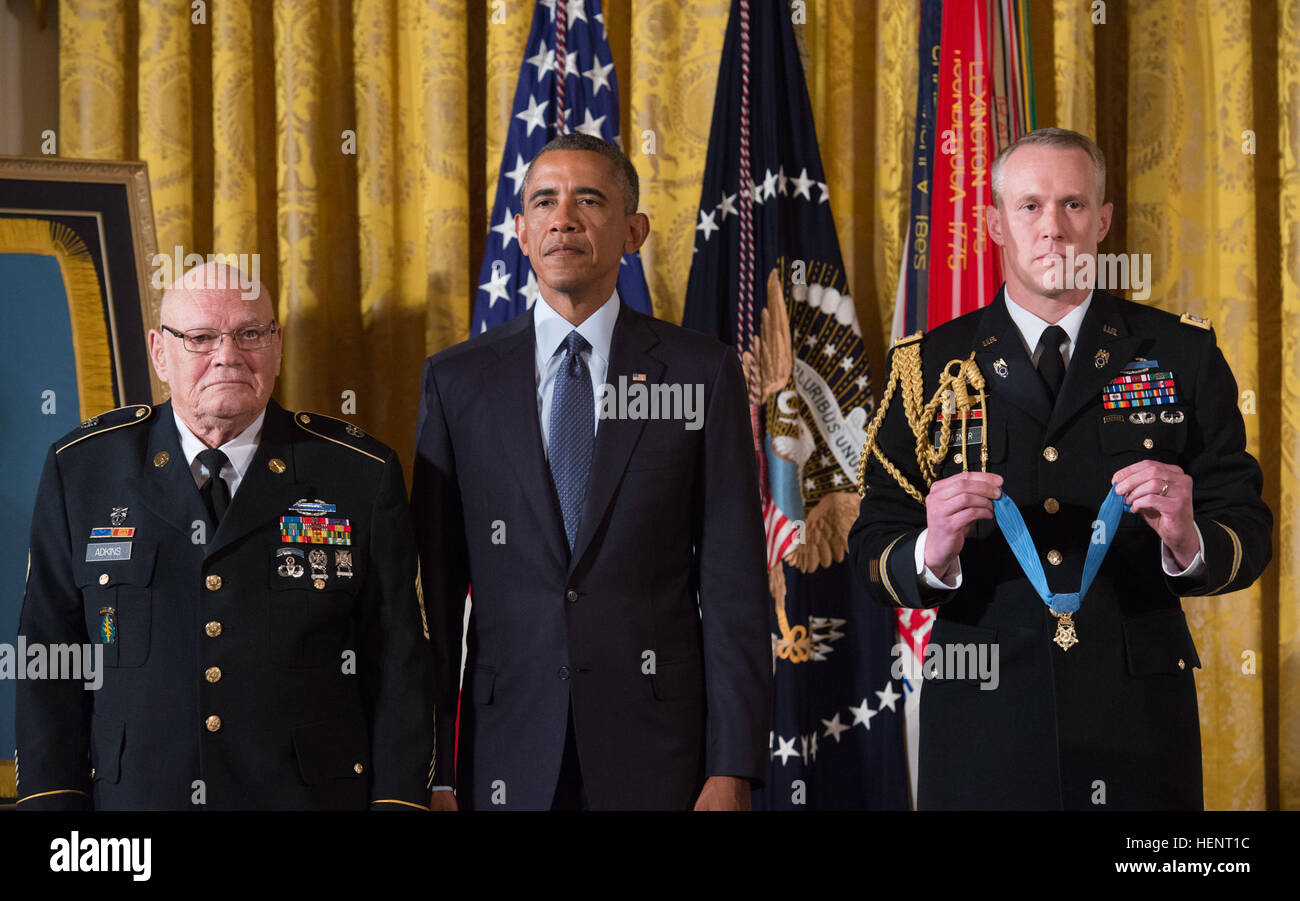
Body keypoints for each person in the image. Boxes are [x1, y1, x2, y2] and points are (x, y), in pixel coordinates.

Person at [849, 128, 1271, 810]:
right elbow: (870, 547)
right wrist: (931, 548)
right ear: (994, 223)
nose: (1055, 229)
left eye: (1074, 205)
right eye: (1031, 207)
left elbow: (1248, 529)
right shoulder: (925, 367)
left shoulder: (1180, 353)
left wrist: (1190, 540)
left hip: (1136, 717)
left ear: (1103, 221)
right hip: (984, 718)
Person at [412, 133, 770, 810]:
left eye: (589, 199)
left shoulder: (702, 372)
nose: (564, 217)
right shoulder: (456, 383)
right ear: (520, 231)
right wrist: (436, 768)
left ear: (633, 230)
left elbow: (734, 588)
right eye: (543, 200)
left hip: (662, 755)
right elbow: (431, 597)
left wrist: (732, 766)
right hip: (503, 752)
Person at [15, 261, 435, 810]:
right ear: (159, 353)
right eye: (201, 337)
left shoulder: (358, 472)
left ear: (277, 345)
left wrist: (399, 803)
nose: (228, 355)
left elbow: (399, 657)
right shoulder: (84, 470)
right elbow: (49, 652)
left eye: (249, 333)